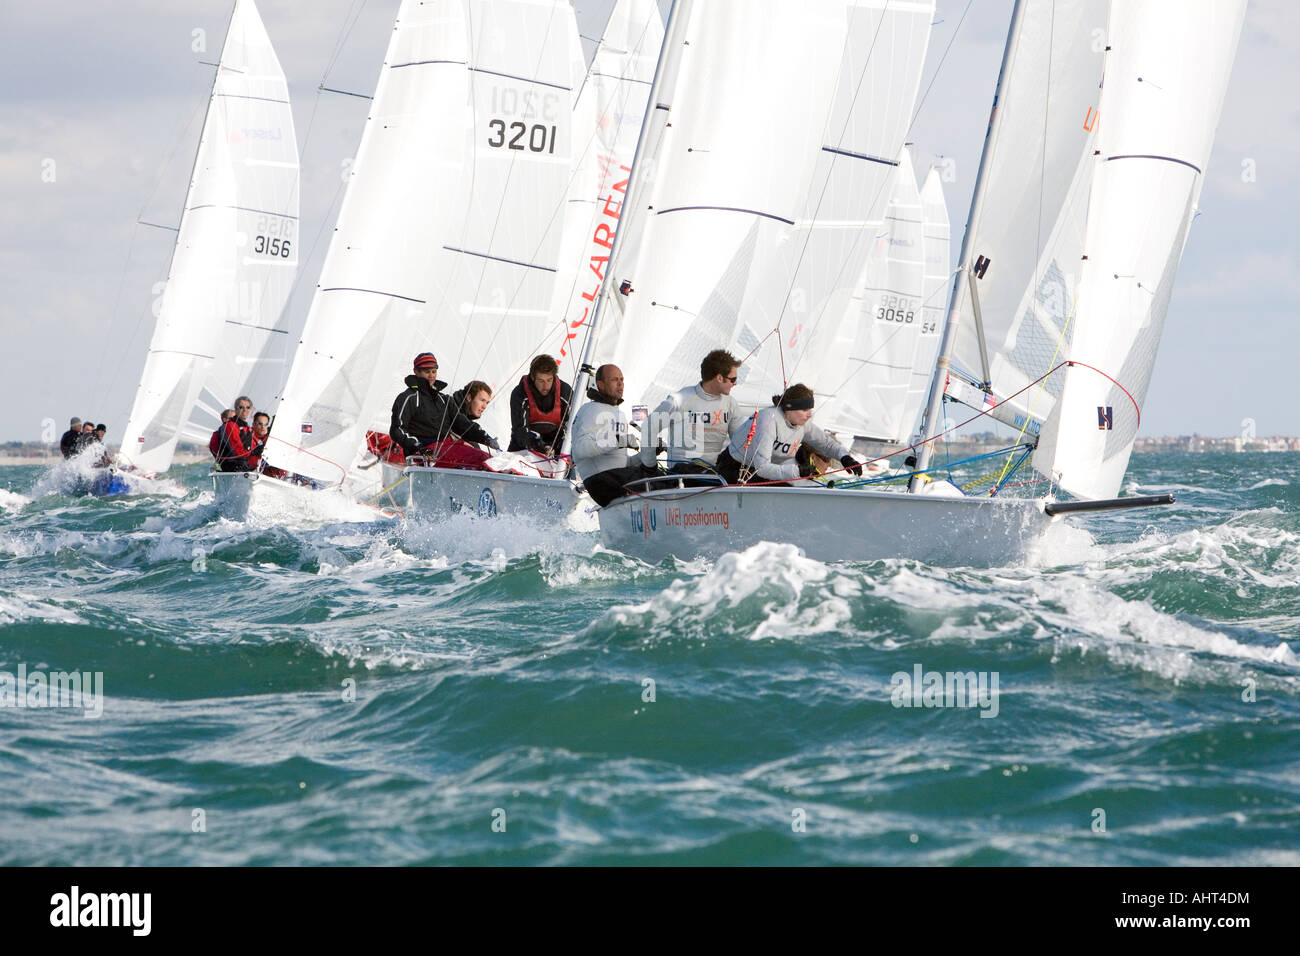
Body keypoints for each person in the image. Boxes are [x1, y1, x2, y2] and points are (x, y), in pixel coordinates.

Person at [716, 384, 863, 485]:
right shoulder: (769, 421)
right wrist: (797, 471)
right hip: (735, 468)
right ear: (789, 409)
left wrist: (845, 458)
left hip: (760, 473)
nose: (809, 415)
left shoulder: (802, 425)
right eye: (805, 410)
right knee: (782, 490)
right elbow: (762, 468)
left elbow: (826, 443)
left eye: (810, 410)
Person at [640, 349, 745, 475]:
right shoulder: (680, 400)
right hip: (681, 475)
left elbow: (742, 443)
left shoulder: (730, 404)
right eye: (733, 379)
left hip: (714, 476)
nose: (735, 383)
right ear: (719, 378)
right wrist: (650, 466)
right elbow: (649, 427)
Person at [390, 353, 499, 468]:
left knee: (489, 460)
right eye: (427, 372)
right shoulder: (409, 398)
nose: (431, 376)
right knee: (481, 461)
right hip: (425, 454)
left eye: (434, 371)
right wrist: (418, 447)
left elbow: (462, 424)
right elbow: (397, 429)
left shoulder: (443, 399)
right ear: (416, 372)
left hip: (447, 448)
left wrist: (485, 438)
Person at [570, 364, 657, 507]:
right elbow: (579, 450)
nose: (620, 384)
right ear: (600, 384)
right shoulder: (590, 410)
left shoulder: (619, 414)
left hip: (617, 478)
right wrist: (618, 440)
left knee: (662, 476)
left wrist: (649, 451)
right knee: (659, 481)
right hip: (600, 481)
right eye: (614, 380)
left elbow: (623, 463)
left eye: (622, 380)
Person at [508, 354, 572, 455]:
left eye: (549, 380)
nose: (545, 386)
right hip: (526, 444)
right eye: (541, 381)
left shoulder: (565, 392)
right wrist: (540, 446)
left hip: (556, 445)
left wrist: (555, 447)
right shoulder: (520, 393)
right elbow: (520, 430)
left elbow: (572, 426)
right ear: (533, 377)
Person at [215, 396, 260, 472]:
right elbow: (236, 450)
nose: (245, 410)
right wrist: (253, 452)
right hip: (232, 467)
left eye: (248, 407)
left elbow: (255, 445)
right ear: (236, 410)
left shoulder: (248, 428)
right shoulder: (230, 425)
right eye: (241, 407)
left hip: (244, 466)